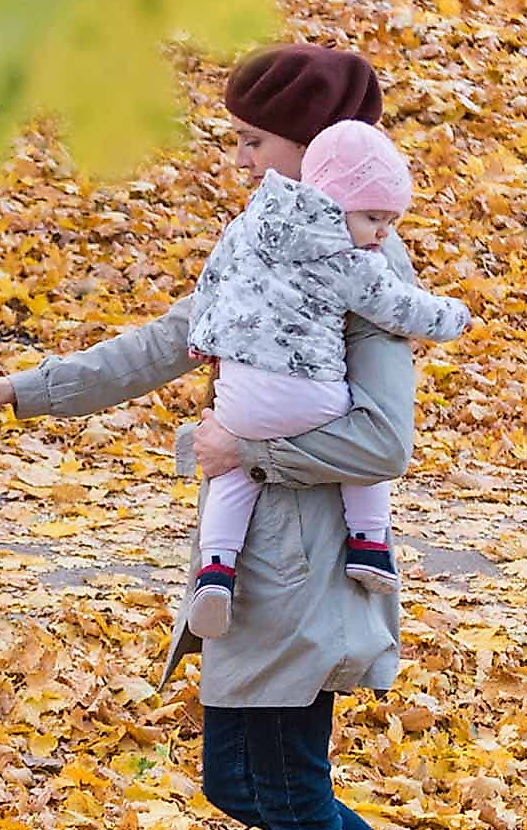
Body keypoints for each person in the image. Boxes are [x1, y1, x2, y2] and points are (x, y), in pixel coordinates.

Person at [0, 43, 527, 830]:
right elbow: (174, 339)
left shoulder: (372, 274)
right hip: (253, 562)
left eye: (257, 142)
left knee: (290, 788)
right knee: (238, 779)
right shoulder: (262, 240)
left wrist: (244, 451)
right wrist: (14, 390)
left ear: (317, 146)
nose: (244, 159)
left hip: (305, 570)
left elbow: (384, 442)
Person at [186, 119, 469, 640]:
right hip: (309, 395)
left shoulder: (251, 222)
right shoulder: (346, 255)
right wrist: (454, 316)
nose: (383, 232)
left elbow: (212, 283)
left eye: (390, 220)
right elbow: (399, 308)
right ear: (337, 202)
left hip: (240, 395)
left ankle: (216, 568)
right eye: (374, 217)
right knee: (358, 446)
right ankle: (369, 543)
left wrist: (205, 337)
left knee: (228, 473)